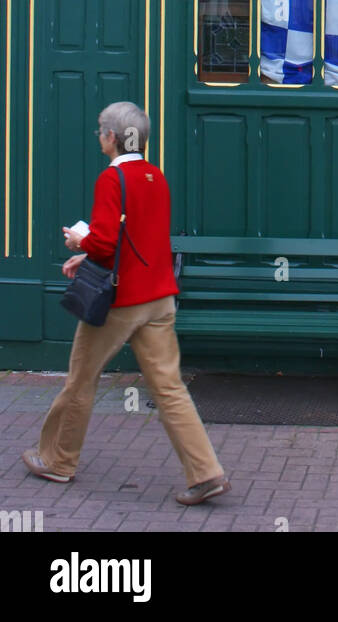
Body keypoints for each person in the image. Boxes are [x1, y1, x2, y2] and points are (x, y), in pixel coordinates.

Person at [22, 102, 230, 506]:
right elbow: (139, 238)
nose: (98, 135)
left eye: (101, 129)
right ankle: (206, 472)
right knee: (170, 388)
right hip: (160, 298)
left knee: (81, 381)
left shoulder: (111, 179)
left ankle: (57, 460)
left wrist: (79, 242)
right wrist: (91, 253)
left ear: (112, 137)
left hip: (120, 302)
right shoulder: (156, 176)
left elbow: (104, 242)